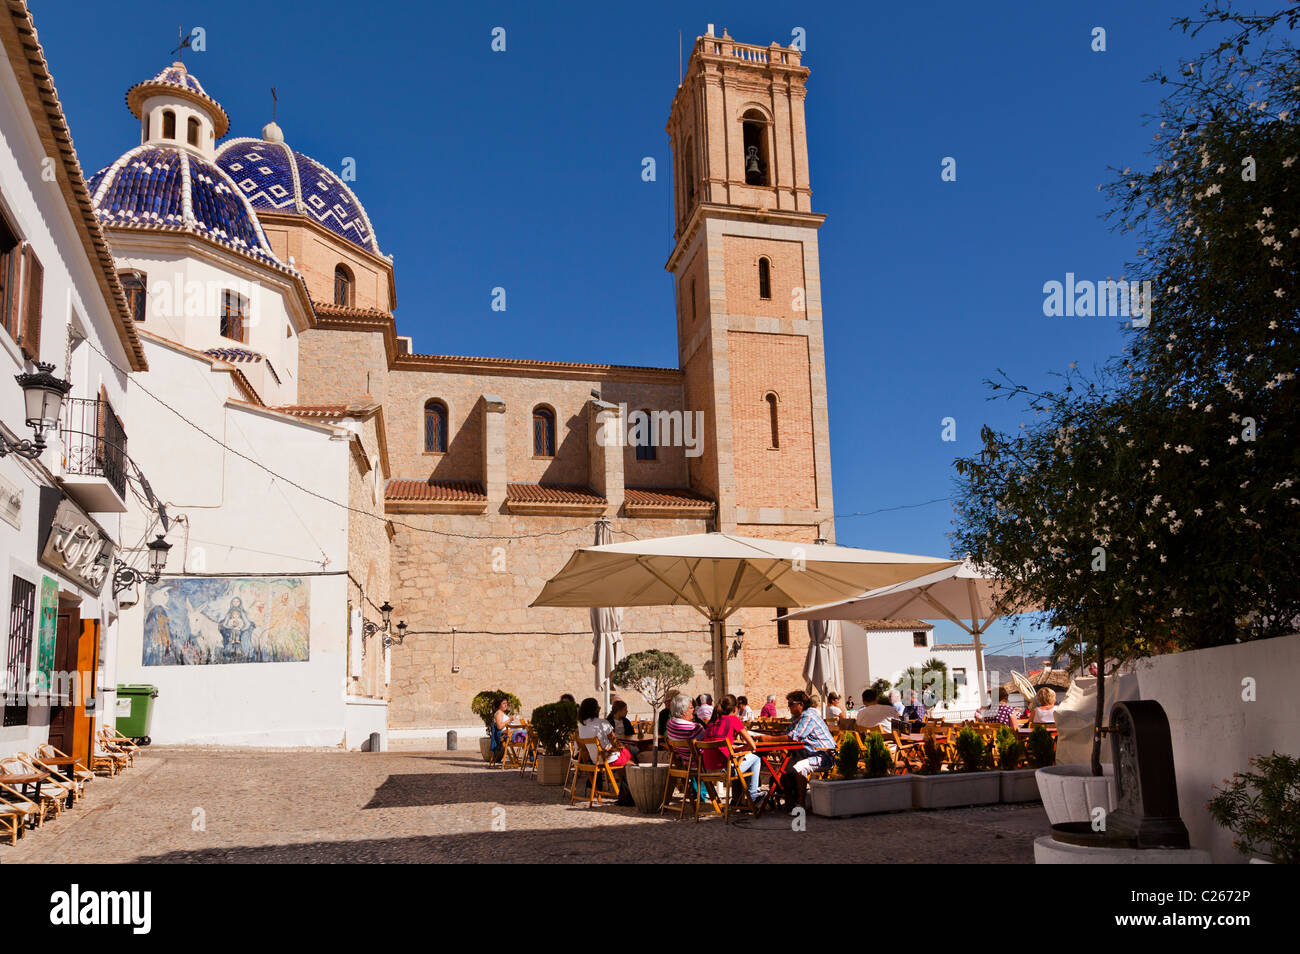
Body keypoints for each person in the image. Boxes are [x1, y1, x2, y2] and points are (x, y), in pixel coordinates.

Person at [753, 690, 835, 810]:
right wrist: (767, 734)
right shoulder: (797, 718)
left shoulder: (809, 715)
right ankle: (791, 800)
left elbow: (793, 737)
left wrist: (769, 738)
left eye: (791, 704)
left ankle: (801, 803)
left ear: (800, 704)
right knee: (784, 770)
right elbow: (787, 733)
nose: (789, 707)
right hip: (806, 754)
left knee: (800, 767)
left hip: (823, 755)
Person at [700, 695, 763, 803]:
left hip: (708, 769)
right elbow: (752, 745)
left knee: (739, 761)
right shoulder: (733, 720)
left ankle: (736, 799)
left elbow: (717, 742)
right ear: (735, 709)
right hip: (724, 770)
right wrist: (740, 749)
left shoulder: (711, 722)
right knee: (755, 759)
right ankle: (752, 796)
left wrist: (734, 749)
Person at [577, 697, 635, 767]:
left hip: (595, 760)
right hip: (608, 759)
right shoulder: (602, 723)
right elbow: (615, 743)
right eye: (598, 706)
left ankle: (620, 777)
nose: (599, 708)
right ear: (594, 710)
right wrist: (623, 747)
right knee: (627, 753)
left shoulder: (581, 726)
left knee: (624, 753)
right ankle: (631, 774)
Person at [488, 695, 511, 764]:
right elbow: (499, 726)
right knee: (529, 735)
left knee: (531, 734)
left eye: (506, 703)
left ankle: (534, 757)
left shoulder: (502, 713)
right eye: (504, 703)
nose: (506, 705)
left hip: (511, 733)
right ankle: (534, 758)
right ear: (499, 705)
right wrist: (510, 720)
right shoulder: (498, 713)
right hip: (508, 735)